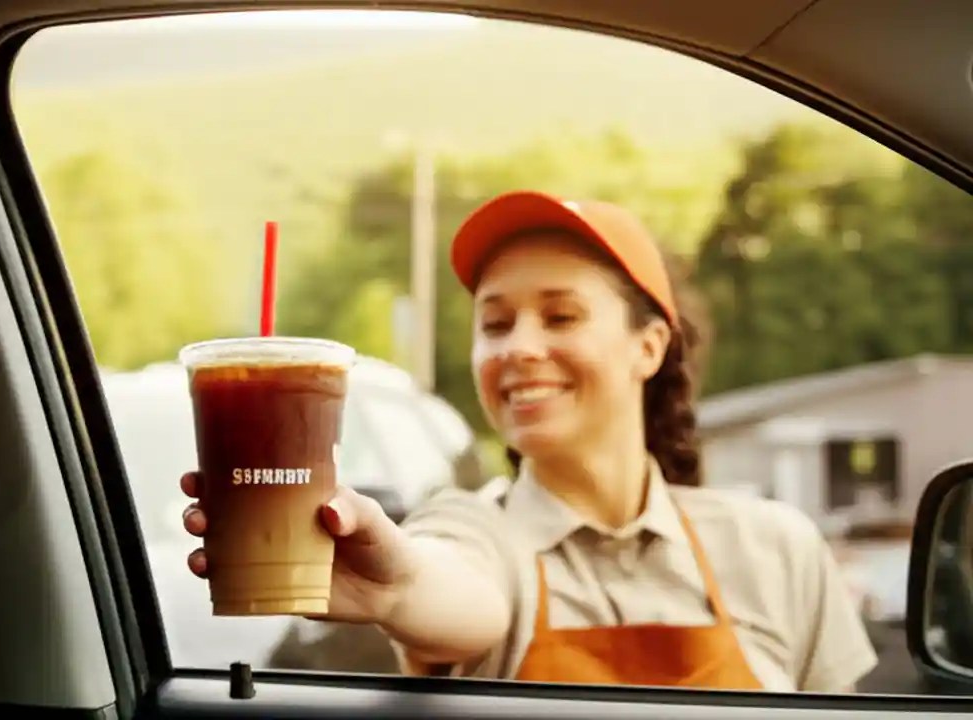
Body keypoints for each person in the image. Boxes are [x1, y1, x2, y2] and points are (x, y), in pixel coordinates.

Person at [179, 190, 879, 692]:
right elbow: (448, 588)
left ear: (649, 346)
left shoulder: (775, 547)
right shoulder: (474, 529)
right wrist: (394, 590)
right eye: (496, 323)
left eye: (561, 315)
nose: (520, 348)